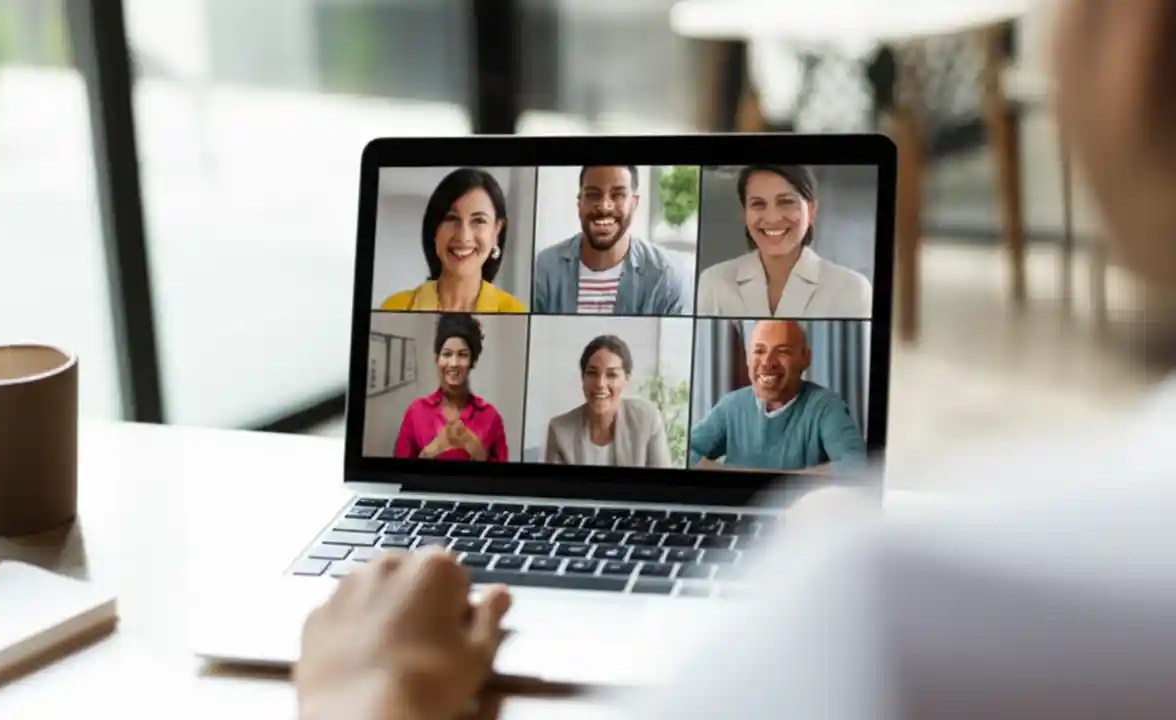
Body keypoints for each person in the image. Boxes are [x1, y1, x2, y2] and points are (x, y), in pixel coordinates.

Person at [295, 2, 1176, 716]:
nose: (766, 369)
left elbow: (808, 461)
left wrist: (367, 693)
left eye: (786, 202)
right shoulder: (598, 317)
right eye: (754, 204)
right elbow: (711, 437)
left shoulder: (880, 607)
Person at [696, 164, 873, 318]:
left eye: (786, 202)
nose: (772, 218)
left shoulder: (851, 290)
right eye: (758, 204)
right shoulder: (714, 283)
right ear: (744, 214)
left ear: (811, 211)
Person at [688, 319, 865, 472]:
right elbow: (688, 451)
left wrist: (776, 483)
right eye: (759, 351)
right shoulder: (732, 405)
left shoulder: (826, 406)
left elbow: (855, 464)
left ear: (806, 358)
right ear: (748, 358)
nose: (767, 362)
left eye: (783, 351)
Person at [532, 165, 689, 315]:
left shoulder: (665, 277)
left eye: (618, 195)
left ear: (634, 203)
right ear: (579, 202)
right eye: (593, 194)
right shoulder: (542, 269)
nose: (604, 206)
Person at [380, 168, 527, 313]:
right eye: (451, 218)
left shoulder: (514, 311)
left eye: (478, 220)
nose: (463, 236)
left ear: (496, 231)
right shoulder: (396, 307)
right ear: (435, 228)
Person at [393, 314, 508, 462]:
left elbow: (503, 480)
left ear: (473, 360)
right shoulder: (416, 411)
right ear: (437, 359)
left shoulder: (491, 417)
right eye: (447, 354)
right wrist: (433, 449)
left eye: (462, 355)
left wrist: (477, 451)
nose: (454, 363)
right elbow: (398, 471)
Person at [544, 335, 672, 468]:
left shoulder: (647, 420)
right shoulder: (559, 430)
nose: (600, 384)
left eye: (611, 375)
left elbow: (663, 486)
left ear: (626, 379)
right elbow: (555, 487)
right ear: (583, 378)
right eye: (592, 373)